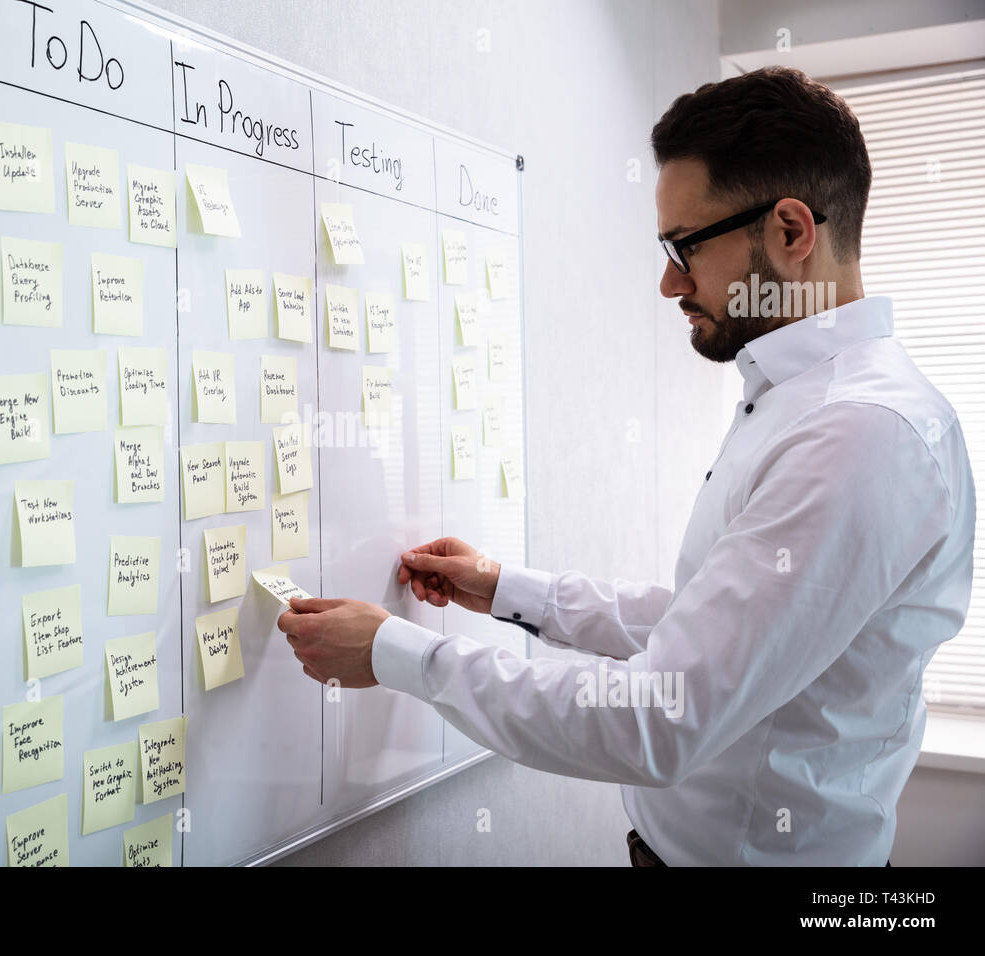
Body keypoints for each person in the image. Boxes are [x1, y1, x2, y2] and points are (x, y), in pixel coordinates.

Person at [276, 66, 976, 866]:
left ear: (790, 231)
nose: (670, 280)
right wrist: (509, 588)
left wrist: (394, 653)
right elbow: (708, 625)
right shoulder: (798, 400)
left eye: (686, 246)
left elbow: (656, 717)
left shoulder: (858, 436)